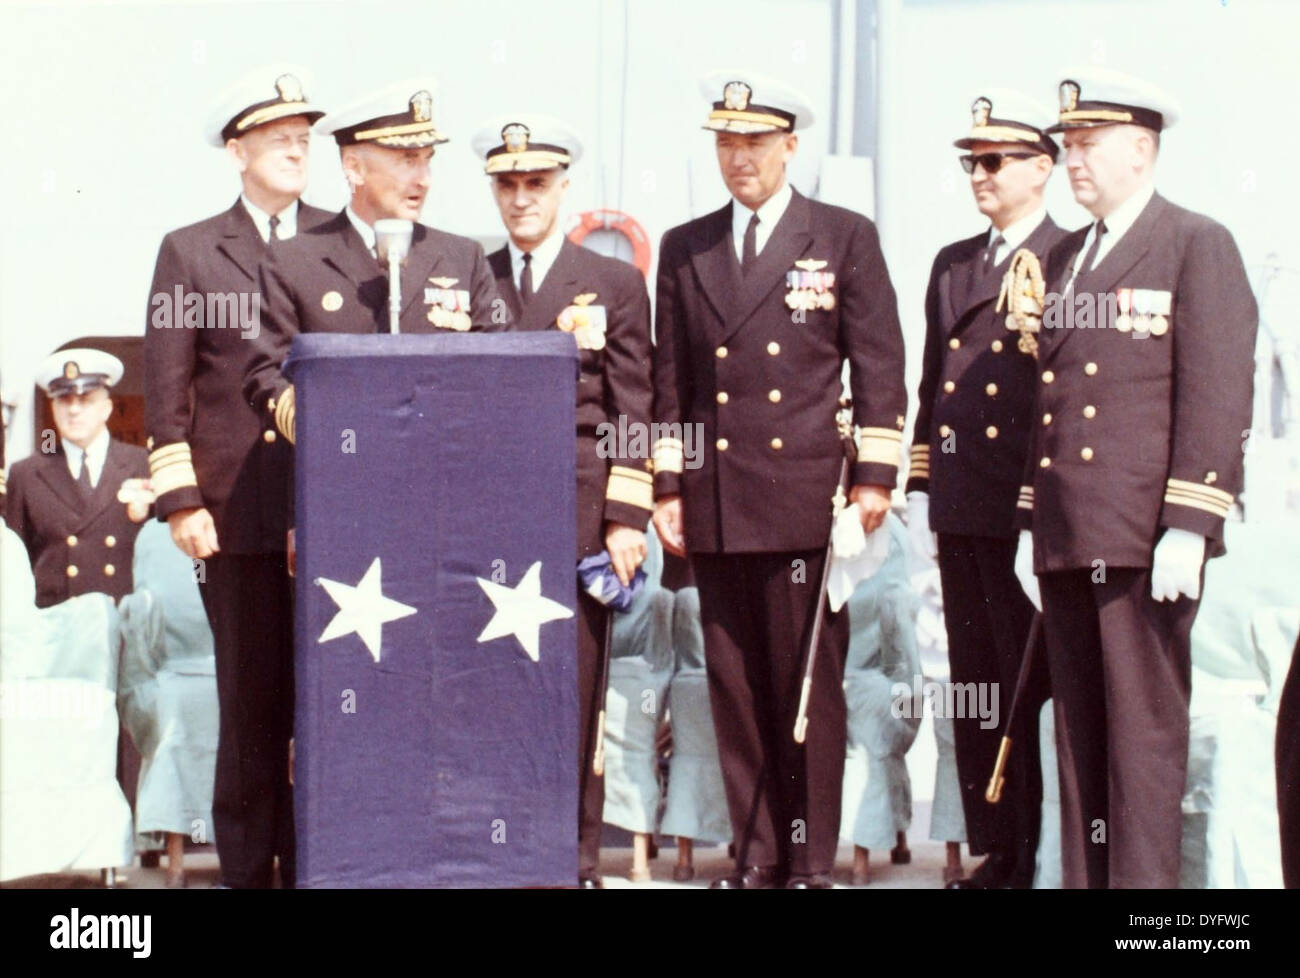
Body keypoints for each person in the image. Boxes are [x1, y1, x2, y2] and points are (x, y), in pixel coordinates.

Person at [651, 71, 907, 888]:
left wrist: (872, 478)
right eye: (726, 143)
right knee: (733, 686)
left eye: (755, 143)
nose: (740, 159)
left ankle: (807, 859)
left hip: (803, 502)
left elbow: (878, 365)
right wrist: (667, 488)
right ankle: (756, 853)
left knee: (806, 691)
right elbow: (673, 383)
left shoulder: (841, 236)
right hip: (719, 500)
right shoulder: (685, 247)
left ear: (791, 146)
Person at [1014, 68, 1258, 888]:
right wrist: (1031, 523)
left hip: (1142, 538)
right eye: (1066, 145)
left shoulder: (1194, 242)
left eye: (1088, 145)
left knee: (1143, 743)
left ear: (1142, 150)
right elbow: (1047, 395)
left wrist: (1191, 521)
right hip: (1067, 534)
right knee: (1080, 740)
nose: (1071, 161)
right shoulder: (1060, 256)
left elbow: (1219, 390)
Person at [143, 64, 329, 890]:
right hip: (239, 514)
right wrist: (182, 498)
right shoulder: (189, 251)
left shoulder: (339, 240)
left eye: (304, 138)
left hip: (341, 511)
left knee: (331, 707)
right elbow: (166, 382)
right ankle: (251, 874)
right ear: (235, 149)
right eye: (277, 139)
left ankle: (327, 865)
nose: (296, 150)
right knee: (252, 709)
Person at [473, 114, 652, 887]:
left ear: (562, 187)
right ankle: (496, 848)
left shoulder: (611, 282)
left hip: (577, 502)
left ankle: (572, 855)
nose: (521, 200)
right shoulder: (466, 277)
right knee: (492, 680)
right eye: (507, 185)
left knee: (573, 683)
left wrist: (624, 515)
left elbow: (634, 403)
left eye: (535, 184)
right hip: (486, 507)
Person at [907, 89, 1065, 889]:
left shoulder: (1070, 257)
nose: (981, 174)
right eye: (972, 162)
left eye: (996, 161)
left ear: (1043, 168)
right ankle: (995, 844)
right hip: (963, 501)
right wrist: (919, 482)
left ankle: (1036, 850)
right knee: (974, 681)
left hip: (1025, 506)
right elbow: (933, 380)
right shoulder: (954, 263)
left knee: (1025, 679)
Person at [244, 77, 507, 437]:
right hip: (339, 467)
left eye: (427, 160)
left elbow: (501, 365)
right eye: (407, 160)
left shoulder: (463, 257)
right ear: (354, 168)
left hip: (444, 466)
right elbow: (266, 375)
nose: (424, 179)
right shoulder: (292, 261)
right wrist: (327, 430)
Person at [6, 349, 149, 608]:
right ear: (53, 406)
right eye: (64, 400)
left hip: (124, 623)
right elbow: (14, 563)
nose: (73, 410)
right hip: (57, 628)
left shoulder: (143, 465)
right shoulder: (26, 474)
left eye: (85, 400)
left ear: (106, 408)